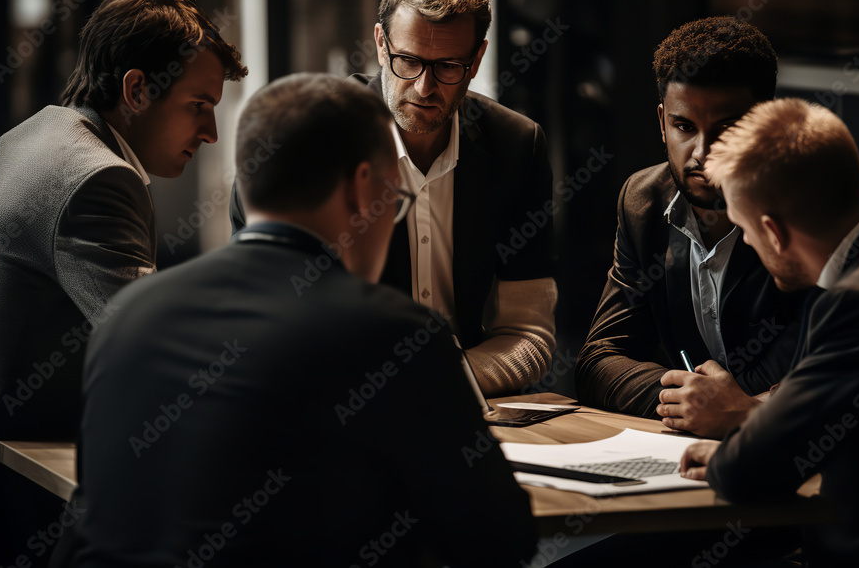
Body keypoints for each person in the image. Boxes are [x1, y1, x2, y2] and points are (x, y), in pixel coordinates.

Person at [53, 74, 537, 567]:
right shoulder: (396, 335)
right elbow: (502, 537)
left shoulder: (128, 313)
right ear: (362, 187)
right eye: (396, 197)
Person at [0, 0, 246, 565]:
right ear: (136, 89)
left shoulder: (40, 134)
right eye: (198, 105)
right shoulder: (98, 176)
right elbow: (161, 348)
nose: (210, 133)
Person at [229, 0, 558, 396]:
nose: (424, 88)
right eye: (409, 61)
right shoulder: (309, 143)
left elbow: (529, 336)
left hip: (473, 404)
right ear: (381, 44)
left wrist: (436, 381)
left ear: (477, 58)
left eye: (448, 67)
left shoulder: (517, 146)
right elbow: (272, 328)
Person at [680, 98, 859, 566]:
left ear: (773, 232)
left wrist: (724, 457)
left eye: (743, 229)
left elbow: (751, 470)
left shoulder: (857, 302)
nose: (746, 243)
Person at [575, 17, 807, 438]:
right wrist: (689, 402)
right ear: (662, 121)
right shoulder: (642, 201)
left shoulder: (812, 209)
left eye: (727, 130)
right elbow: (599, 360)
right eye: (685, 127)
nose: (702, 153)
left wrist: (745, 411)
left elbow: (845, 366)